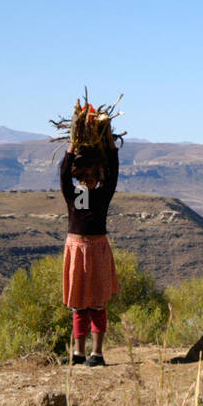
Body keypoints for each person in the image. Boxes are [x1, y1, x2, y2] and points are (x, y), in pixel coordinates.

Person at [59, 130, 120, 366]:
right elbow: (64, 174)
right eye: (83, 175)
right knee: (79, 303)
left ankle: (96, 354)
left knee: (95, 302)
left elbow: (113, 173)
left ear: (97, 175)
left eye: (91, 175)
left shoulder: (99, 194)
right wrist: (72, 147)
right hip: (78, 248)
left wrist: (110, 145)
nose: (87, 180)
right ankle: (79, 354)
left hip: (93, 249)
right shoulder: (76, 194)